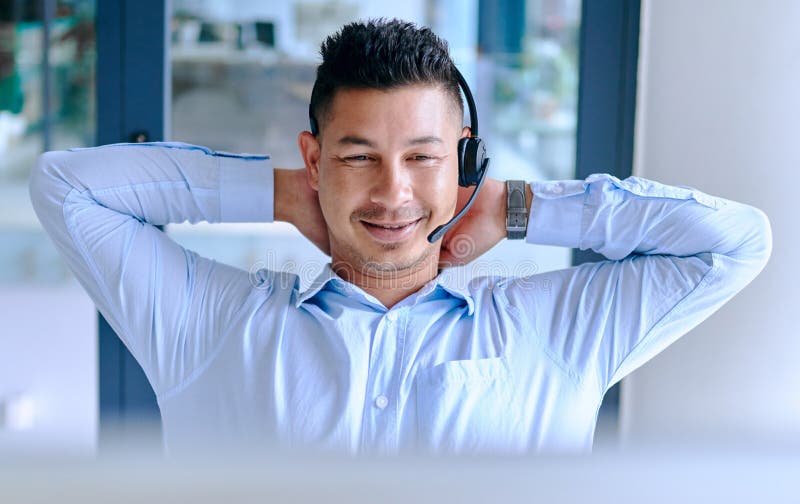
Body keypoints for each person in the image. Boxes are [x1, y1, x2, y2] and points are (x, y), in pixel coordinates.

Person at [29, 19, 770, 455]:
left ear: (465, 161)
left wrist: (515, 206)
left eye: (423, 158)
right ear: (316, 158)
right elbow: (68, 187)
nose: (393, 193)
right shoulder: (212, 328)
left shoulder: (554, 334)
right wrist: (285, 192)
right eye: (357, 158)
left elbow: (732, 242)